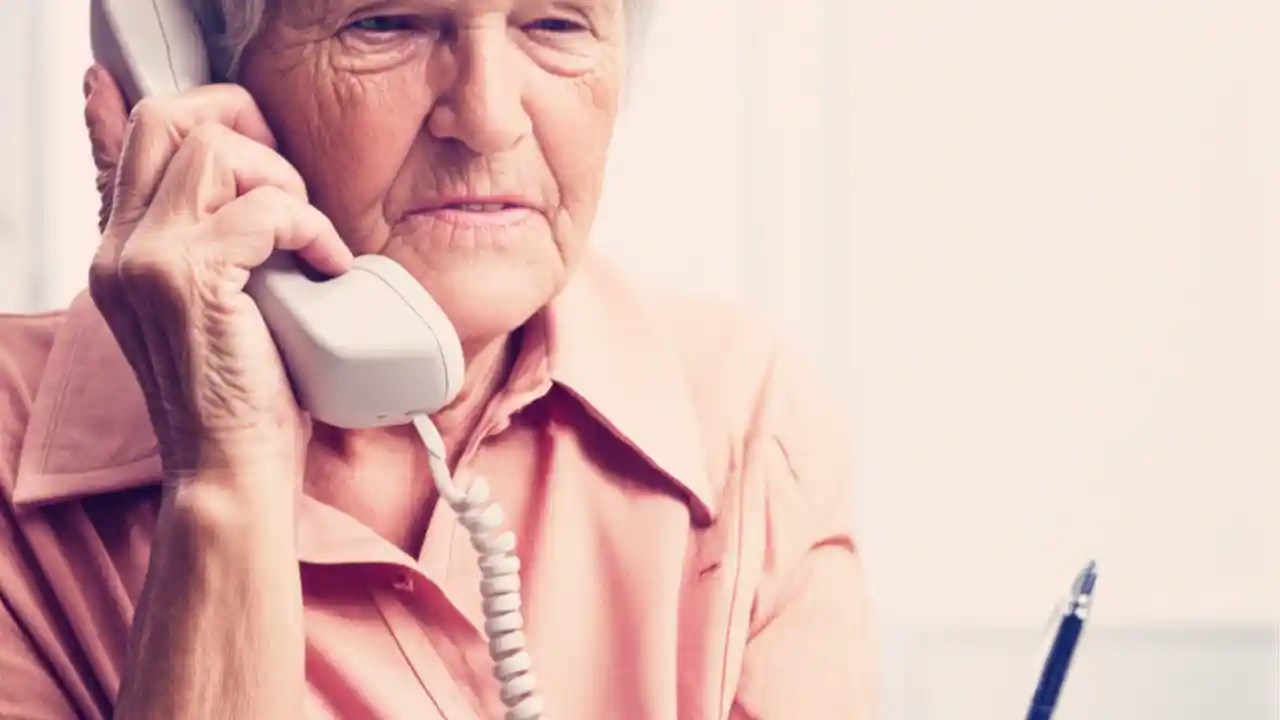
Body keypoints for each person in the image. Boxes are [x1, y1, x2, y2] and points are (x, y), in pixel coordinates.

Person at [0, 0, 876, 717]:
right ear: (191, 70)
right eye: (386, 23)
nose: (490, 120)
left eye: (556, 24)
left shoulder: (742, 418)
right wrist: (224, 472)